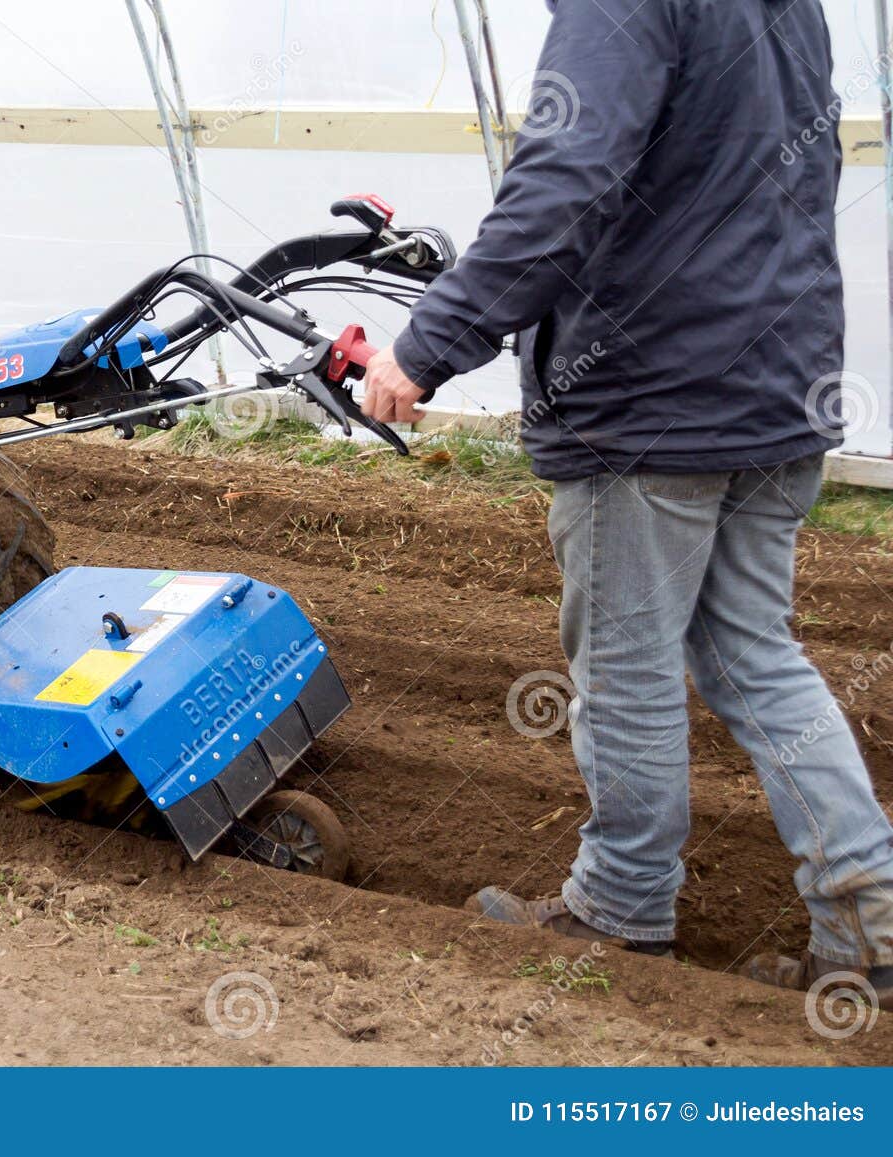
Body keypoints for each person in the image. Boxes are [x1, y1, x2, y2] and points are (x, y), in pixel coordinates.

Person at [361, 0, 893, 1002]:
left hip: (649, 402)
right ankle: (868, 926)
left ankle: (617, 906)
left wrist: (428, 346)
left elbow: (566, 179)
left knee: (629, 670)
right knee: (756, 655)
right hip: (772, 384)